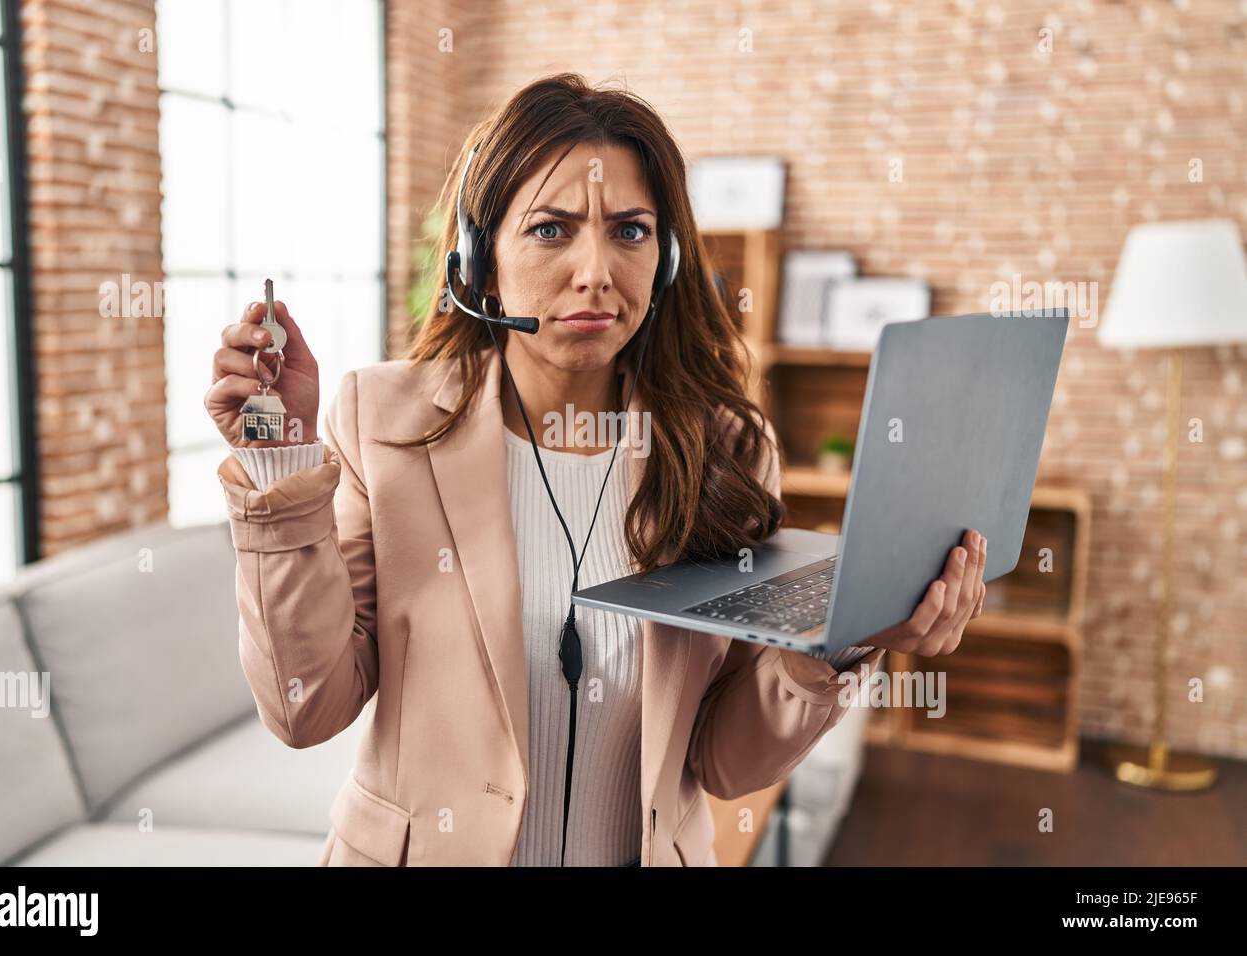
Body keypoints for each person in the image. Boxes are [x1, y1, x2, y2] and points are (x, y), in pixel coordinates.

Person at [203, 73, 987, 867]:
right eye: (551, 230)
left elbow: (725, 763)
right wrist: (279, 457)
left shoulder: (727, 450)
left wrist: (838, 646)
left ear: (668, 257)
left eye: (631, 231)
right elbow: (306, 708)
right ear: (480, 260)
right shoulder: (381, 422)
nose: (596, 272)